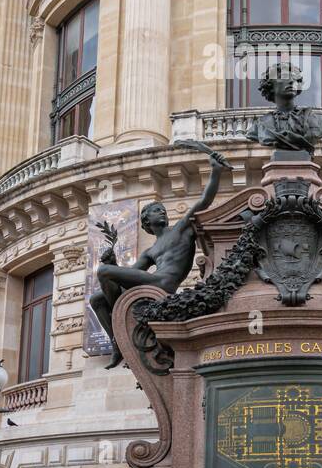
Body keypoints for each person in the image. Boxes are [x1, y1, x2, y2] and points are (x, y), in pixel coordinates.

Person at [90, 143, 230, 365]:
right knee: (97, 298)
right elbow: (129, 276)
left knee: (105, 272)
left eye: (162, 210)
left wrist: (215, 171)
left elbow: (204, 201)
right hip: (152, 282)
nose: (162, 211)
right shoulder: (151, 250)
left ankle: (122, 324)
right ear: (146, 221)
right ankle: (118, 339)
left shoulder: (182, 228)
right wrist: (114, 262)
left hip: (165, 282)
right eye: (156, 210)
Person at [246, 60, 322, 154]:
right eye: (284, 78)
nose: (291, 81)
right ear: (270, 86)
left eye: (294, 78)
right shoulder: (260, 125)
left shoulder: (318, 120)